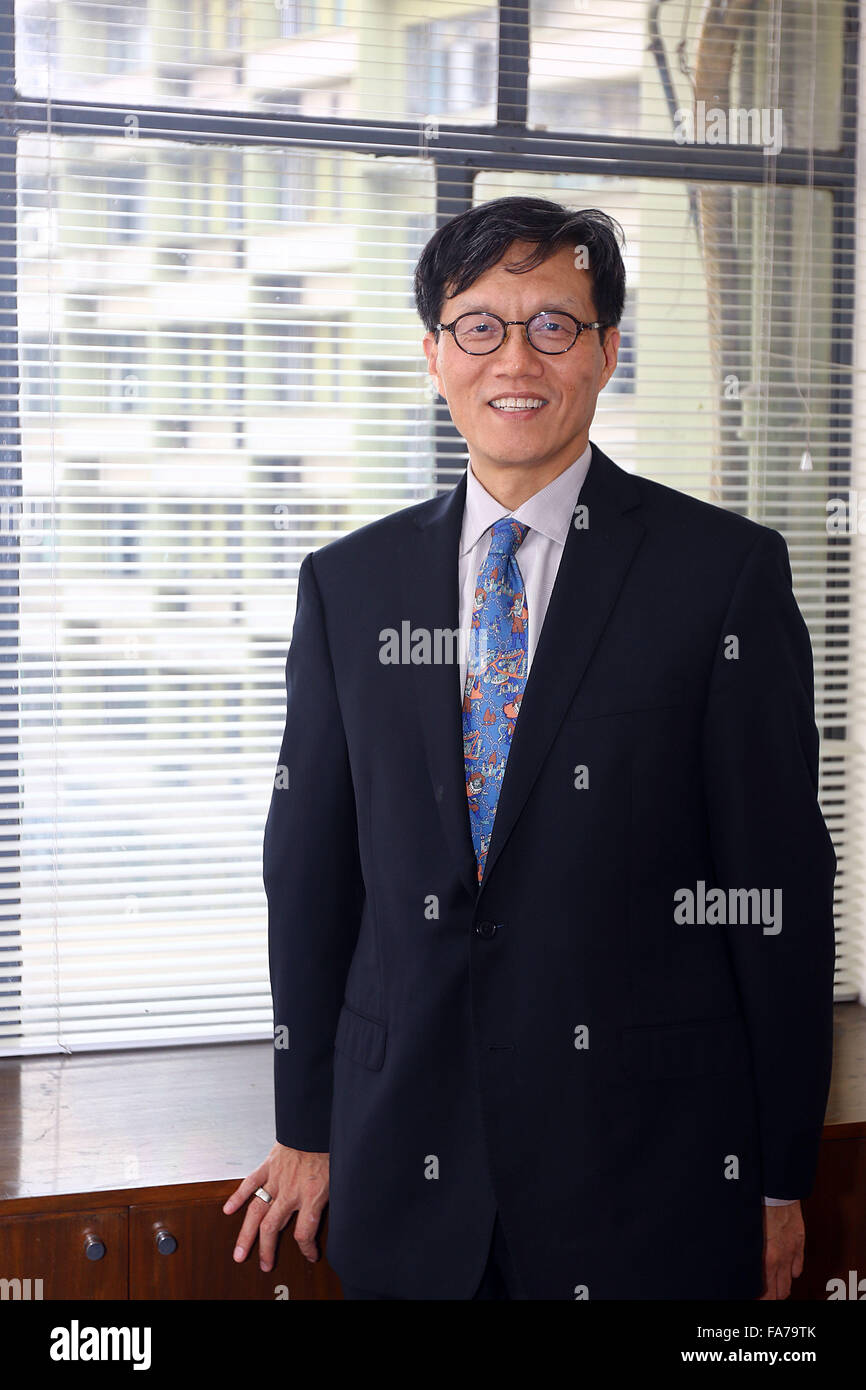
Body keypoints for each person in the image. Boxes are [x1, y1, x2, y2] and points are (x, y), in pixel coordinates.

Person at [223, 197, 836, 1300]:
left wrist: (776, 1177)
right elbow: (307, 875)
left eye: (553, 324)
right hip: (402, 1163)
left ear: (603, 353)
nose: (516, 357)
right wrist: (305, 1122)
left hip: (647, 1176)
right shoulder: (347, 587)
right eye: (478, 325)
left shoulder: (720, 575)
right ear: (433, 354)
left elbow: (775, 892)